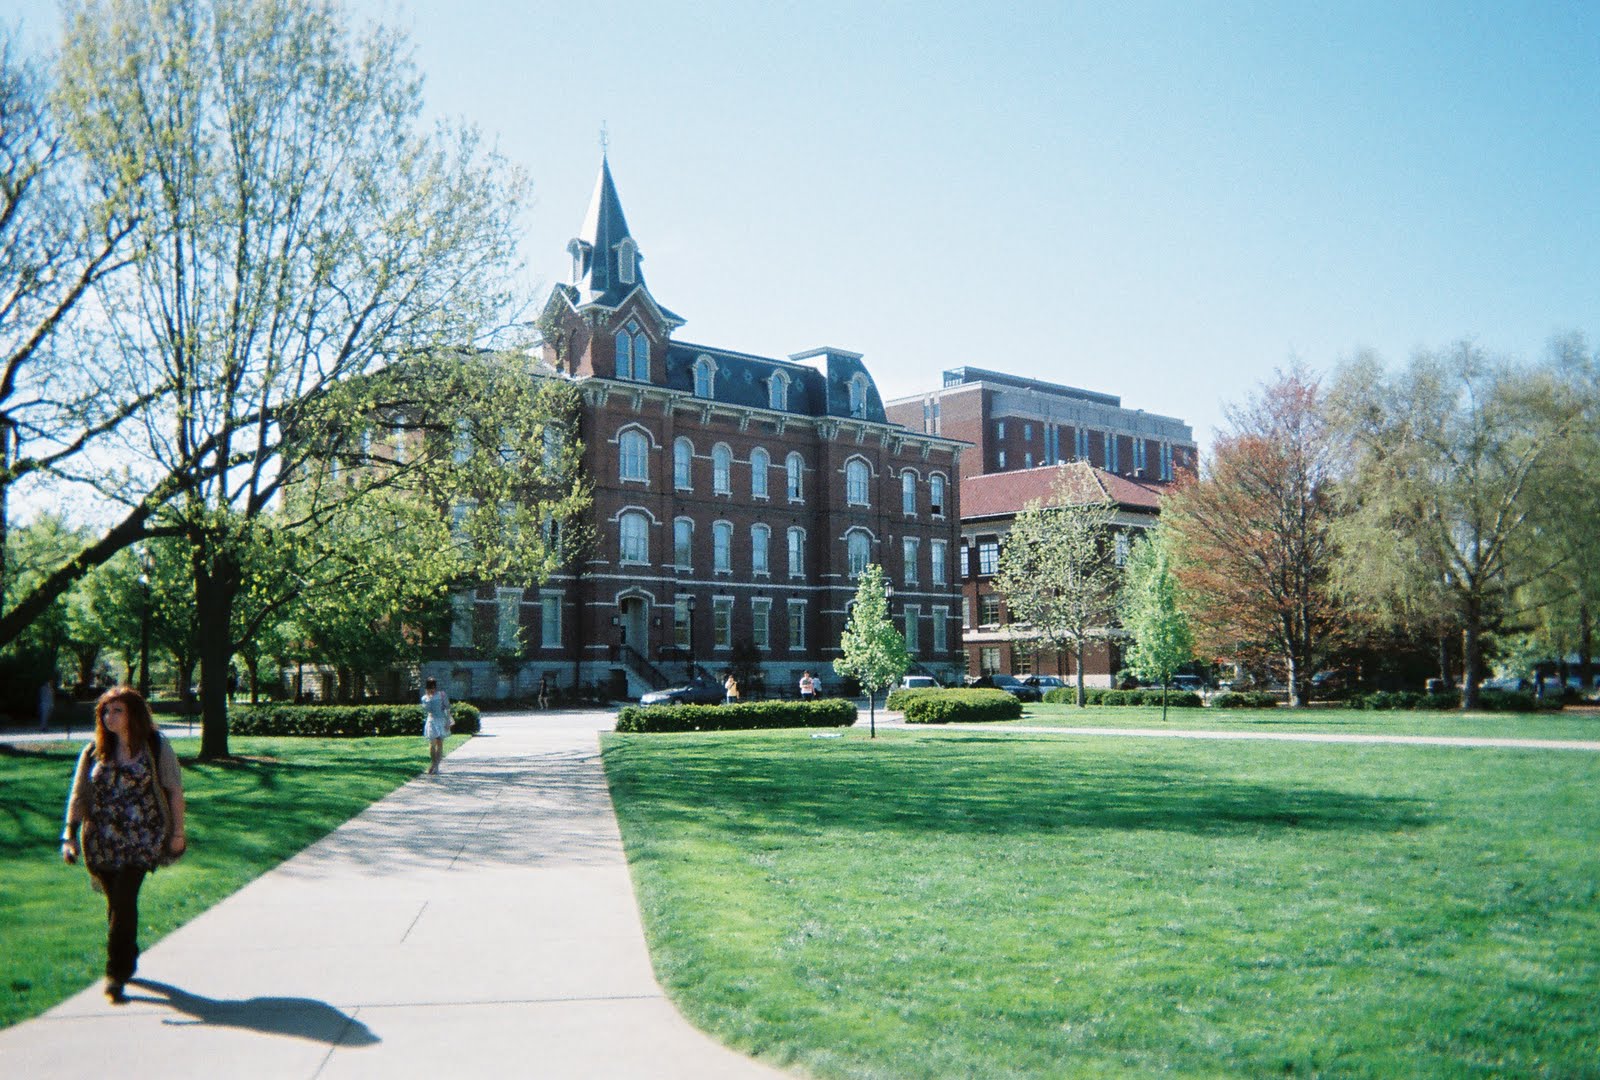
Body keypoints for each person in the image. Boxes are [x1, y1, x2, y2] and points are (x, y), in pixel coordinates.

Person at [61, 686, 186, 1003]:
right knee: (117, 905)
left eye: (117, 710)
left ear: (133, 714)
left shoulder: (155, 747)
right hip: (101, 841)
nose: (109, 717)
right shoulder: (94, 750)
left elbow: (173, 790)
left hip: (142, 838)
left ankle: (115, 976)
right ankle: (127, 951)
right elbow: (79, 795)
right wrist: (69, 836)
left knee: (125, 900)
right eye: (105, 711)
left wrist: (177, 834)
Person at [420, 677, 451, 774]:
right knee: (432, 743)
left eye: (433, 687)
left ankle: (436, 766)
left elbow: (447, 708)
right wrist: (428, 699)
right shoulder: (424, 698)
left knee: (440, 743)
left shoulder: (442, 695)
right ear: (427, 688)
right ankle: (433, 763)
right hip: (431, 721)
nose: (432, 690)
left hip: (441, 720)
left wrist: (448, 722)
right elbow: (426, 710)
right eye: (430, 688)